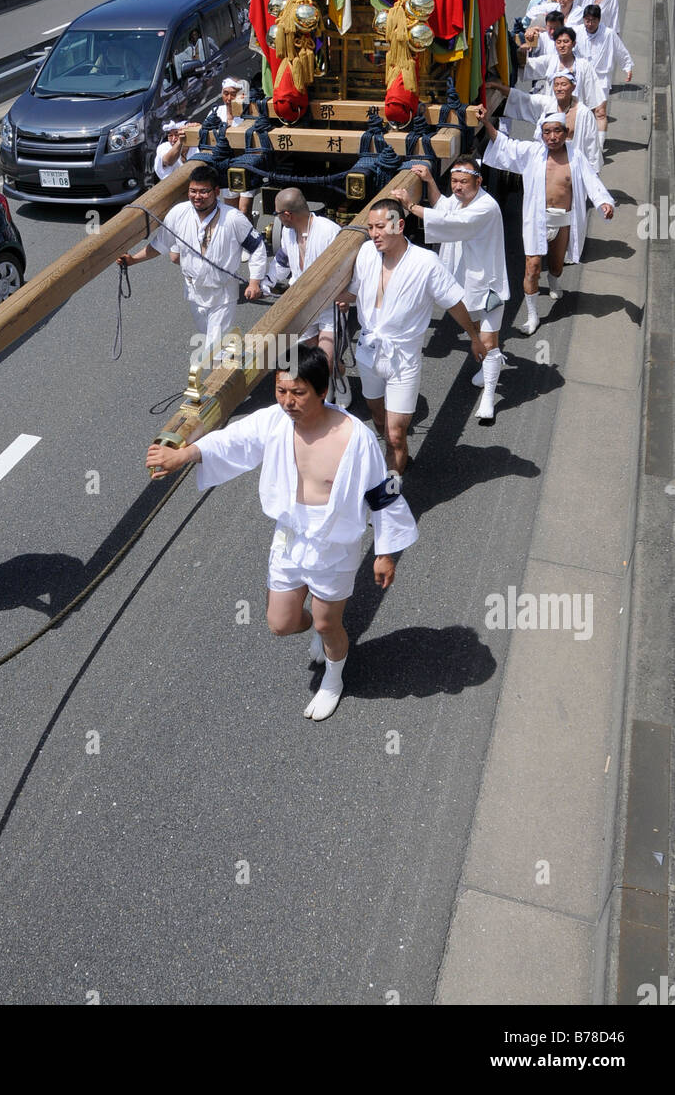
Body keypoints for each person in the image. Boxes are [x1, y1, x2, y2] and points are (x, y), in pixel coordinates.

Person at [146, 349, 419, 721]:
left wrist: (385, 552)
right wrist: (183, 455)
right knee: (281, 623)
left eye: (298, 393)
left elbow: (381, 493)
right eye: (281, 390)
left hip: (334, 545)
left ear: (322, 391)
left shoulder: (356, 439)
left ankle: (334, 677)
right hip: (290, 537)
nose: (288, 402)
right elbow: (233, 440)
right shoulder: (274, 421)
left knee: (327, 622)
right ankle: (320, 633)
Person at [337, 197, 486, 473]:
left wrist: (474, 336)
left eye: (380, 227)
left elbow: (454, 302)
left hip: (402, 361)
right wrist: (336, 299)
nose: (374, 234)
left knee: (396, 434)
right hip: (368, 353)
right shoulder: (367, 253)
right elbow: (357, 291)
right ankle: (393, 454)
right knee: (378, 419)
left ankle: (390, 495)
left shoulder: (426, 262)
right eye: (370, 227)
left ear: (400, 224)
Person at [477, 107, 615, 335]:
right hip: (536, 219)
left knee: (557, 266)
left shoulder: (576, 156)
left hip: (563, 220)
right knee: (531, 268)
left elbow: (592, 182)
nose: (552, 137)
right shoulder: (532, 153)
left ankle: (553, 279)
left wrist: (603, 203)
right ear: (541, 134)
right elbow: (505, 145)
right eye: (547, 132)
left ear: (566, 132)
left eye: (557, 131)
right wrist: (486, 123)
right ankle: (533, 316)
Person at [394, 156, 510, 425]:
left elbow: (450, 223)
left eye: (464, 182)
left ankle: (489, 397)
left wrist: (410, 206)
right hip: (467, 282)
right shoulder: (460, 199)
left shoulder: (486, 207)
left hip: (489, 283)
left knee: (489, 341)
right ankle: (489, 366)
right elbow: (443, 207)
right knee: (481, 331)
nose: (457, 187)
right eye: (454, 181)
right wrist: (430, 181)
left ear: (478, 181)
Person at [117, 165, 266, 362]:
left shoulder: (233, 218)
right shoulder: (178, 213)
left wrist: (255, 281)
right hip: (194, 290)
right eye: (193, 191)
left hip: (222, 292)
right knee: (210, 340)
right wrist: (133, 260)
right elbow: (160, 244)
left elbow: (257, 248)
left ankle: (219, 388)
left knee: (214, 351)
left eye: (204, 191)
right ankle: (235, 358)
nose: (197, 196)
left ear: (216, 192)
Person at [261, 188, 341, 371]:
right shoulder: (288, 233)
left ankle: (340, 381)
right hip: (302, 305)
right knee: (316, 358)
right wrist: (266, 285)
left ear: (287, 215)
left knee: (327, 361)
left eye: (277, 214)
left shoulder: (330, 232)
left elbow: (344, 269)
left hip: (328, 305)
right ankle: (326, 392)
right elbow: (282, 261)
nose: (278, 218)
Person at [498, 70, 603, 175]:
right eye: (556, 85)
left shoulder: (584, 114)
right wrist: (498, 87)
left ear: (573, 87)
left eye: (563, 84)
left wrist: (594, 176)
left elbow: (592, 146)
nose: (559, 88)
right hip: (548, 165)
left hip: (573, 169)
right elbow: (524, 99)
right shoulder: (548, 105)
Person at [523, 25, 607, 127]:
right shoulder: (550, 61)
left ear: (574, 44)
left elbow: (594, 100)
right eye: (558, 42)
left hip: (576, 118)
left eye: (566, 42)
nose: (562, 45)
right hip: (553, 117)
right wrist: (524, 46)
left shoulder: (584, 65)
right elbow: (526, 65)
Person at [210, 76, 255, 222]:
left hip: (245, 165)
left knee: (243, 210)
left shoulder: (249, 113)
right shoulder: (215, 113)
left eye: (233, 94)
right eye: (225, 93)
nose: (229, 98)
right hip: (225, 167)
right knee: (231, 212)